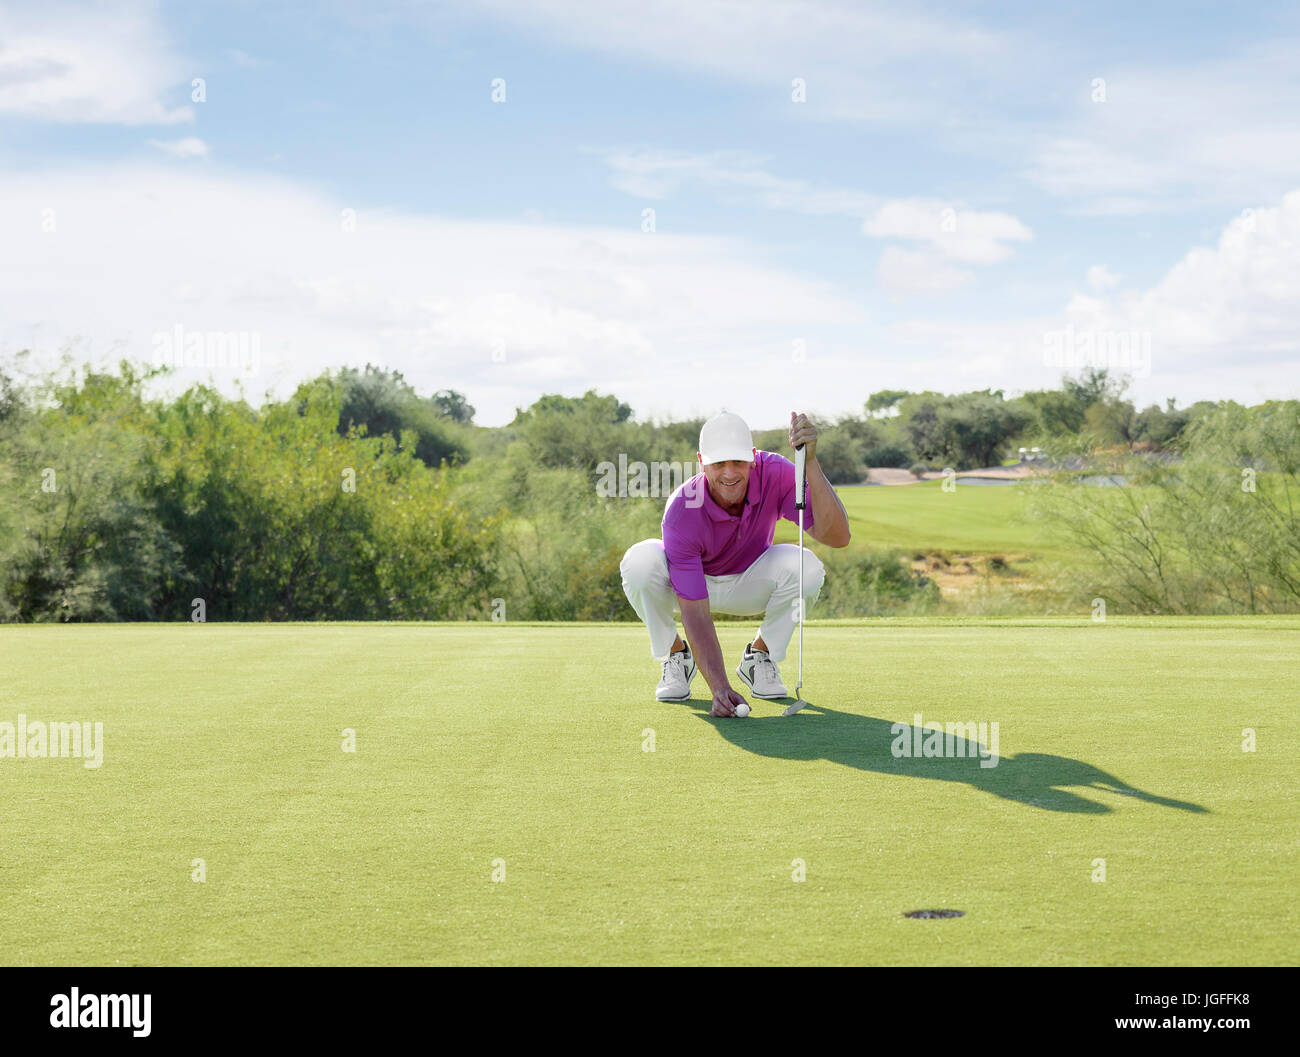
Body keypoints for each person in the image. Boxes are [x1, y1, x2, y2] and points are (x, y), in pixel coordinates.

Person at [620, 410, 851, 717]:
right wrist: (719, 687)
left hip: (749, 581)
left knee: (807, 567)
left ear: (753, 457)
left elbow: (837, 537)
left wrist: (810, 463)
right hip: (690, 591)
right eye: (718, 464)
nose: (730, 473)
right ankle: (676, 654)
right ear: (701, 462)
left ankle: (760, 655)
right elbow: (695, 613)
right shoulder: (682, 509)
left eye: (738, 462)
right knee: (640, 562)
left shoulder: (777, 474)